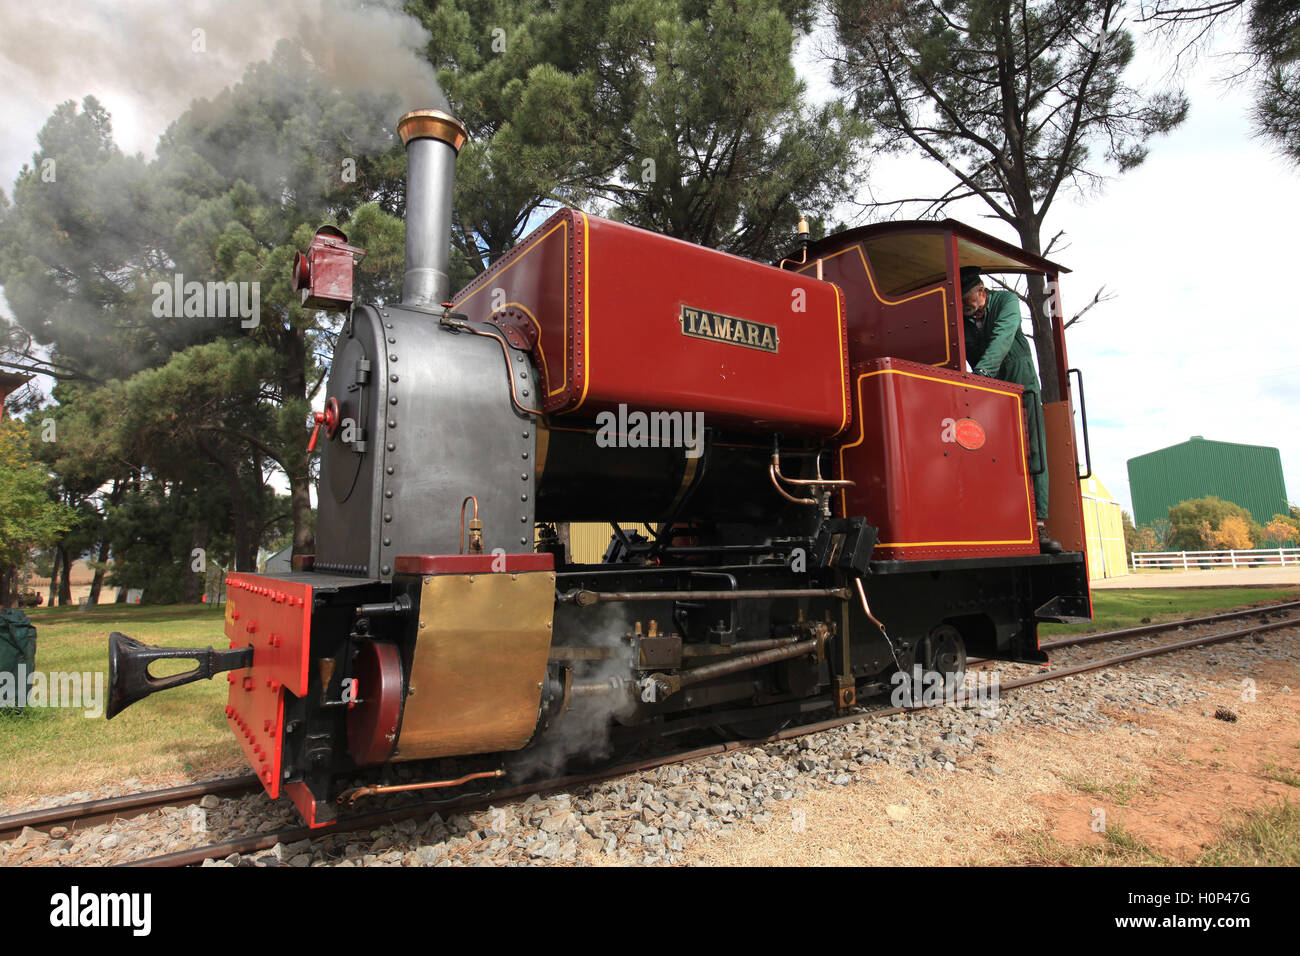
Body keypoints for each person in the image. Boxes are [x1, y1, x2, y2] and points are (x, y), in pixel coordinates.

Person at [960, 266, 1062, 554]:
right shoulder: (962, 317)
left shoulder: (1006, 302)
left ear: (982, 292)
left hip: (1020, 381)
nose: (967, 311)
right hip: (988, 389)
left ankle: (1039, 525)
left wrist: (980, 373)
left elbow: (1002, 338)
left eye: (969, 303)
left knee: (1034, 451)